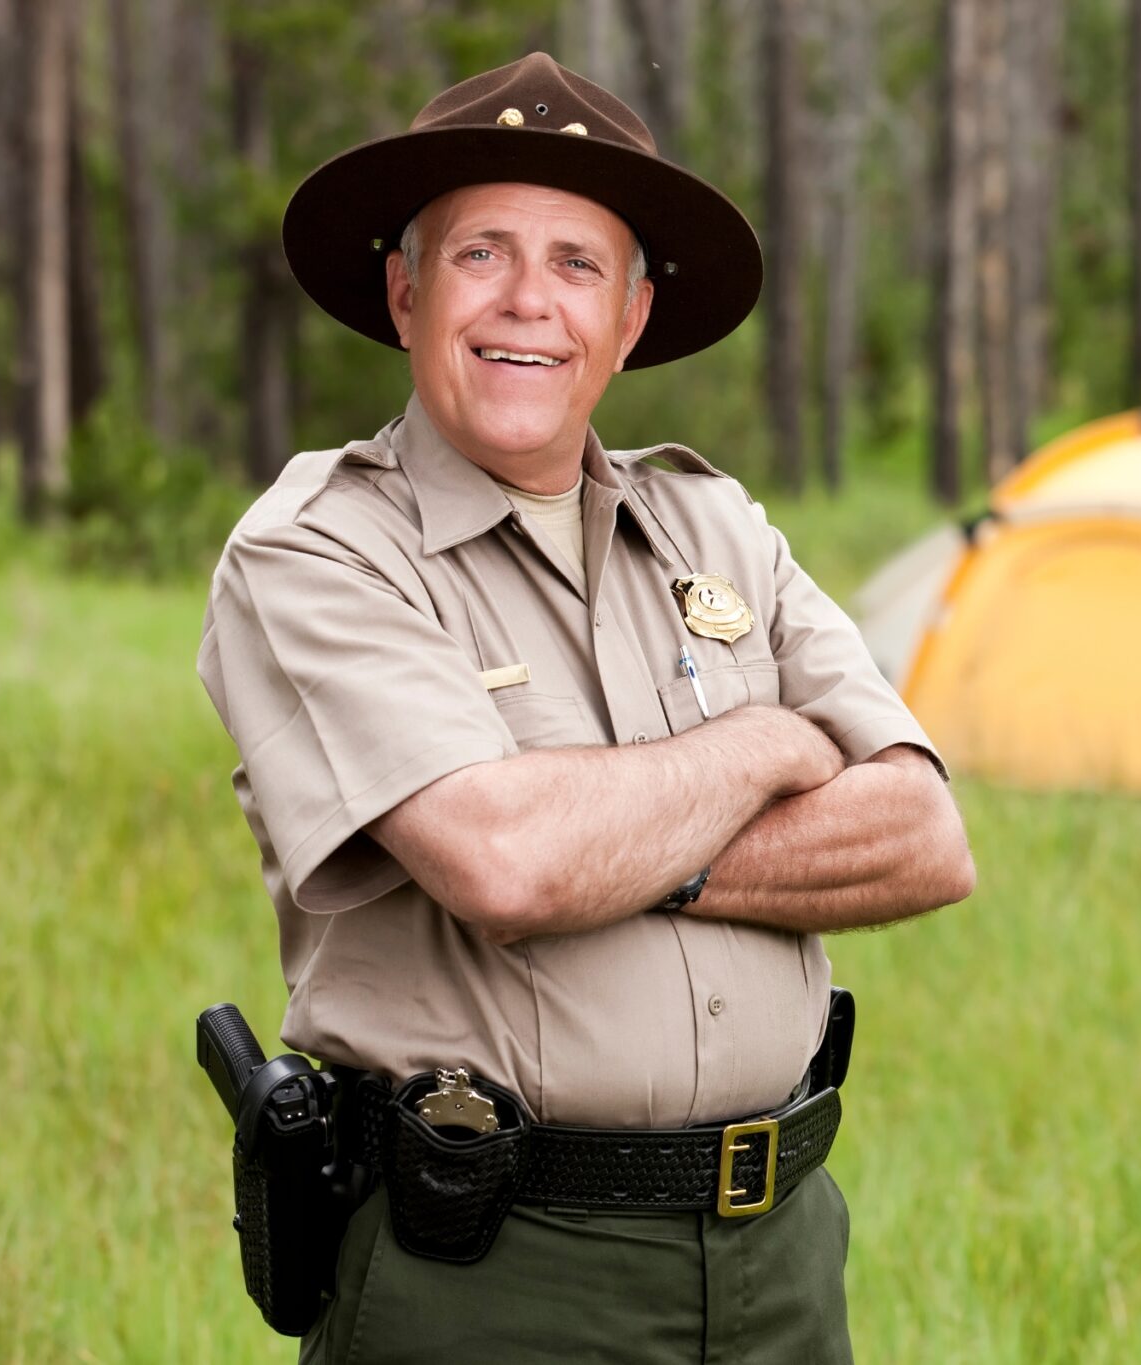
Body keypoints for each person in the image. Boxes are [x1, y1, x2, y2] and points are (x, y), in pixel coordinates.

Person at [195, 55, 975, 1362]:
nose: (527, 301)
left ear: (629, 314)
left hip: (782, 1257)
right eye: (480, 254)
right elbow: (506, 860)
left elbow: (922, 838)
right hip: (493, 1270)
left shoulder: (717, 527)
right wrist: (769, 743)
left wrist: (622, 850)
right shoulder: (320, 549)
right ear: (405, 293)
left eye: (575, 263)